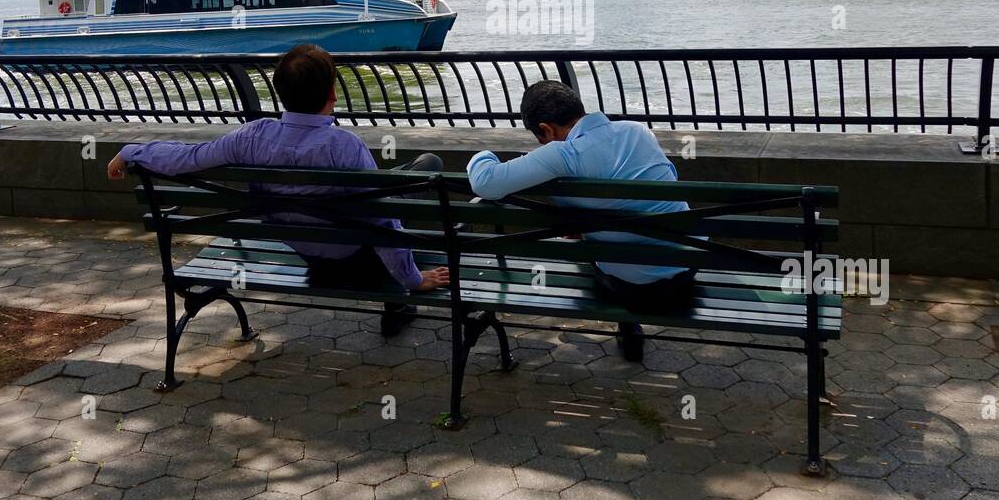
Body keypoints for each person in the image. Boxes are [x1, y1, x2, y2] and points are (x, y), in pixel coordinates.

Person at [107, 44, 449, 336]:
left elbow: (189, 158)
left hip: (310, 255)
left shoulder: (251, 136)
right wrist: (411, 281)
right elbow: (382, 222)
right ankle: (396, 303)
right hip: (358, 260)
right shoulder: (344, 145)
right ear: (331, 94)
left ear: (280, 93)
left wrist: (132, 151)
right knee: (426, 167)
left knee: (386, 188)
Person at [467, 81, 695, 362]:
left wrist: (482, 154)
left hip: (632, 287)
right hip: (686, 271)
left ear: (547, 129)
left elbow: (485, 183)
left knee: (588, 252)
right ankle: (629, 327)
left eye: (541, 138)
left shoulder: (564, 154)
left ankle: (628, 322)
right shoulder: (638, 131)